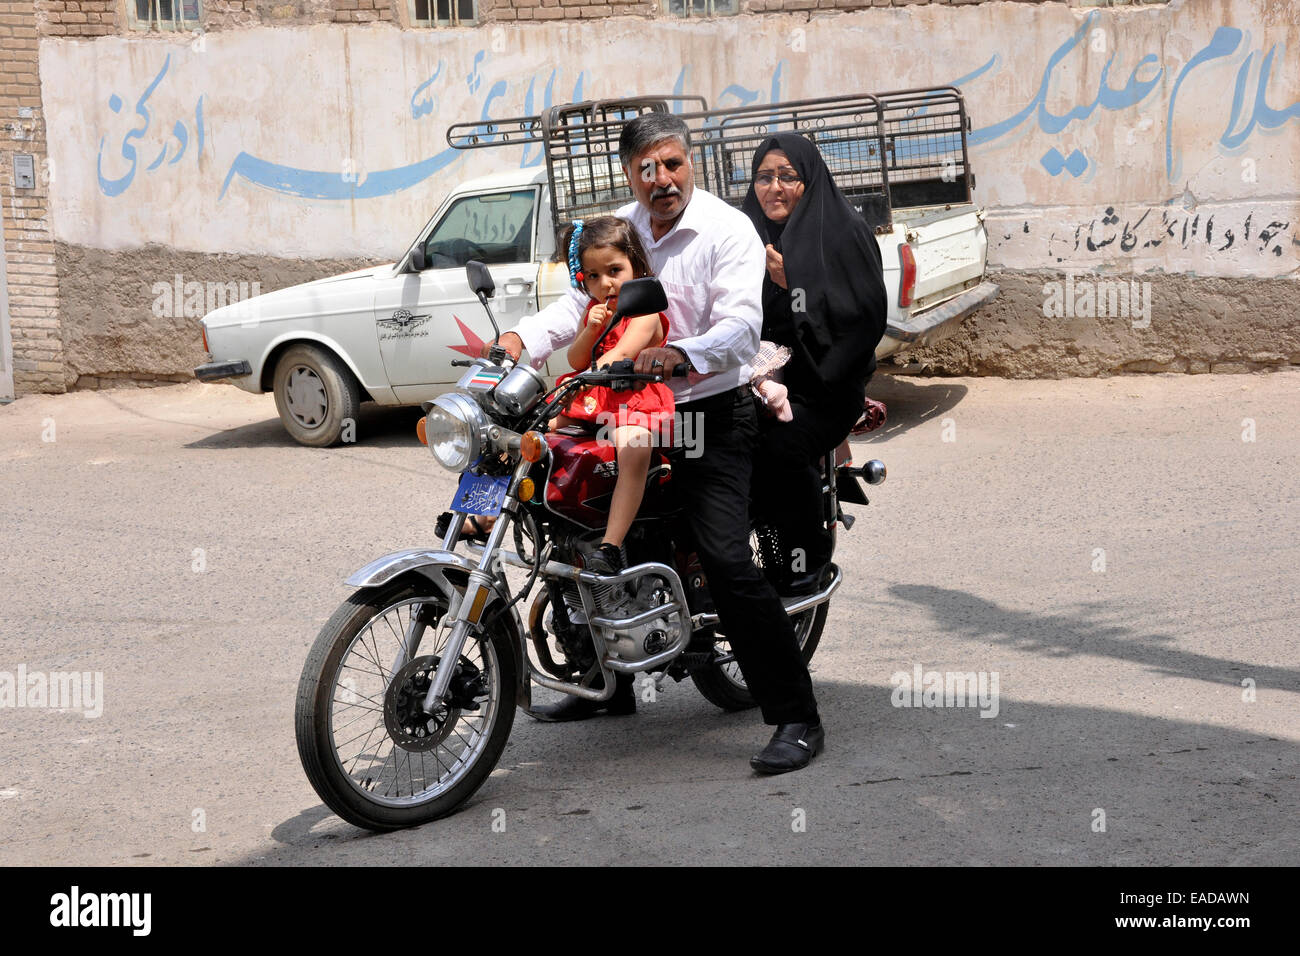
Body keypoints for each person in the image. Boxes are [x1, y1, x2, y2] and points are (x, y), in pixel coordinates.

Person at [488, 112, 825, 773]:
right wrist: (520, 340)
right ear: (630, 174)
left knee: (727, 559)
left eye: (671, 164)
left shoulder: (729, 231)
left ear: (688, 162)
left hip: (710, 410)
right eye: (647, 168)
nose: (661, 179)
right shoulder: (625, 226)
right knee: (567, 518)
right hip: (628, 405)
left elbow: (738, 327)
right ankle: (606, 687)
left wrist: (676, 354)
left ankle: (797, 716)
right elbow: (580, 306)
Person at [740, 133, 888, 595]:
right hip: (757, 382)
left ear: (809, 182)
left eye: (788, 177)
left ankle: (811, 557)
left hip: (827, 386)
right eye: (765, 177)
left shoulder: (842, 233)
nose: (774, 188)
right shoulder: (746, 234)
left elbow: (864, 317)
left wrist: (794, 280)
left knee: (781, 445)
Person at [551, 215, 675, 576]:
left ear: (636, 265)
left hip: (632, 401)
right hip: (592, 396)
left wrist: (591, 371)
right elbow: (576, 358)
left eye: (614, 270)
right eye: (592, 276)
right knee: (529, 428)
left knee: (633, 449)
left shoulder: (645, 310)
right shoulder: (594, 311)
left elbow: (620, 355)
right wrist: (591, 330)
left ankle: (611, 544)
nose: (604, 283)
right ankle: (485, 517)